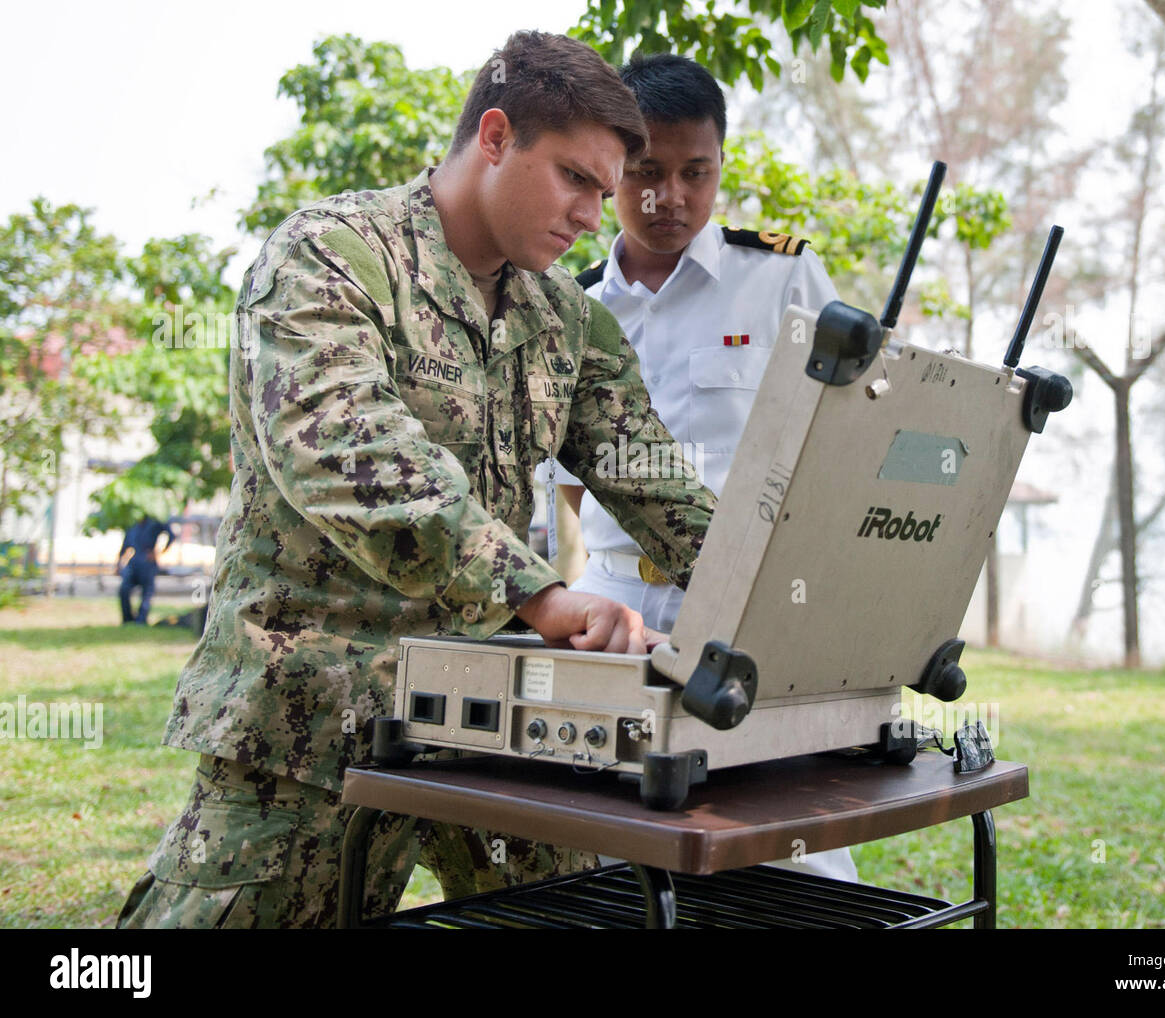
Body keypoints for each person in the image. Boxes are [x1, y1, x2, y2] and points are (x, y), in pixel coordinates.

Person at [116, 31, 716, 929]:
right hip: (312, 725)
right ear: (497, 136)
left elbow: (661, 485)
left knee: (586, 918)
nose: (596, 213)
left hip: (494, 721)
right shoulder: (330, 257)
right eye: (577, 180)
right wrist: (540, 596)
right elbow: (352, 456)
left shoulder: (567, 320)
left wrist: (796, 593)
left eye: (604, 187)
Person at [539, 53, 858, 884]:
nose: (669, 197)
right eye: (644, 172)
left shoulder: (781, 275)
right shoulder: (569, 304)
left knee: (789, 838)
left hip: (747, 598)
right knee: (617, 843)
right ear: (612, 171)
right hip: (612, 608)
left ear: (721, 165)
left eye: (695, 172)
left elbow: (844, 430)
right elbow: (564, 491)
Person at [116, 515, 176, 625]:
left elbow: (171, 535)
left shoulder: (155, 521)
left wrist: (159, 552)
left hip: (148, 563)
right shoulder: (132, 523)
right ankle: (128, 619)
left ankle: (141, 619)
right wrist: (118, 563)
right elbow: (125, 545)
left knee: (147, 593)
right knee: (124, 589)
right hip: (133, 562)